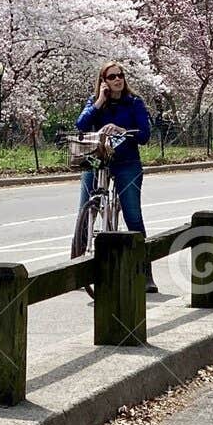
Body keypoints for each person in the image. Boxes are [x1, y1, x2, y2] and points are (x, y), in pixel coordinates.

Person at [76, 61, 157, 293]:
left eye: (120, 75)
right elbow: (80, 124)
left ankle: (145, 273)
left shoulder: (134, 103)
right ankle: (77, 265)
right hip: (97, 160)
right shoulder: (95, 102)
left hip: (126, 162)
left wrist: (121, 130)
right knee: (85, 208)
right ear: (103, 81)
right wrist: (100, 102)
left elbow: (144, 135)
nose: (117, 80)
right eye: (111, 77)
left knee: (133, 215)